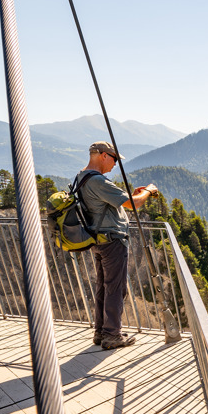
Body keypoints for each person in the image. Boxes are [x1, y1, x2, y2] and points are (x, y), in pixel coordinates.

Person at [74, 141, 157, 349]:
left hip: (98, 239)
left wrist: (135, 194)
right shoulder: (98, 181)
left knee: (104, 287)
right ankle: (112, 335)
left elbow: (115, 202)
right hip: (113, 241)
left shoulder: (81, 177)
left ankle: (101, 332)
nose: (115, 164)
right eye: (114, 159)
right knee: (116, 289)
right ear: (103, 155)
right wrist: (147, 191)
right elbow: (134, 204)